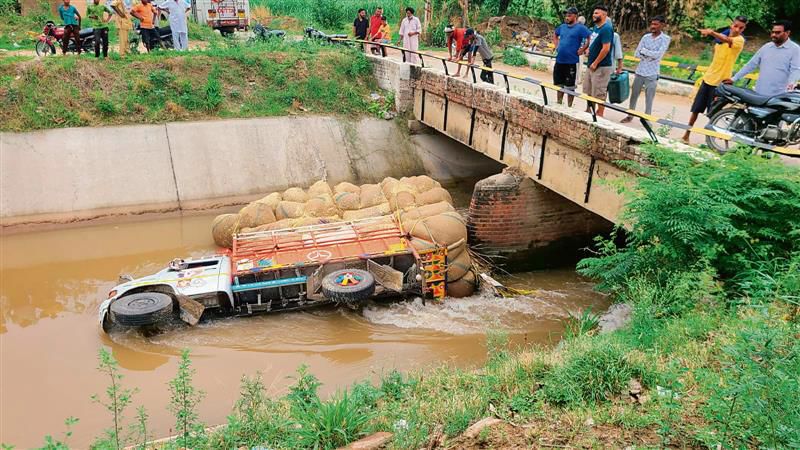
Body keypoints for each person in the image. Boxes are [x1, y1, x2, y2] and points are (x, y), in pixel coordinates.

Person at [681, 16, 747, 143]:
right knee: (696, 110)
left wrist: (711, 32)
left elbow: (727, 39)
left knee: (714, 113)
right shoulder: (720, 41)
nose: (737, 29)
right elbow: (721, 41)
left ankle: (711, 141)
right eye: (736, 26)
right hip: (708, 78)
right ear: (731, 25)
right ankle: (686, 134)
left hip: (721, 82)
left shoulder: (739, 41)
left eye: (741, 27)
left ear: (744, 29)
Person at [728, 20, 800, 96]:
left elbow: (796, 70)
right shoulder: (766, 47)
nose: (773, 35)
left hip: (779, 96)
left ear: (787, 33)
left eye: (778, 32)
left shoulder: (795, 49)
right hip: (759, 93)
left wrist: (791, 84)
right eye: (772, 32)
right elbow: (751, 65)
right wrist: (734, 79)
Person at [621, 16, 670, 121]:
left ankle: (646, 119)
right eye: (652, 24)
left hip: (652, 73)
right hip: (640, 71)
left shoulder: (665, 39)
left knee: (649, 98)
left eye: (656, 24)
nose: (653, 26)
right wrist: (648, 54)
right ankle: (630, 115)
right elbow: (637, 53)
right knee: (634, 95)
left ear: (662, 25)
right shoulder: (646, 37)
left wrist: (645, 51)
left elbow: (658, 55)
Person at [580, 5, 614, 117]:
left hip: (601, 66)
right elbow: (593, 41)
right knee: (588, 89)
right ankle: (589, 109)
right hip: (591, 64)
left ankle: (600, 114)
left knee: (599, 91)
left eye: (597, 13)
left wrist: (596, 62)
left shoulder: (606, 29)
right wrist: (588, 50)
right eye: (594, 13)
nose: (594, 15)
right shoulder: (596, 27)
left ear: (604, 15)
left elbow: (606, 48)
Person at [553, 7, 591, 106]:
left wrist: (583, 49)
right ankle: (559, 102)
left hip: (571, 62)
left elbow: (589, 37)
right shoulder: (562, 27)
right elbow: (555, 35)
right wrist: (556, 46)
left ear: (575, 16)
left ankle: (569, 106)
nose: (567, 17)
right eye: (566, 15)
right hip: (559, 60)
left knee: (570, 86)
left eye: (569, 15)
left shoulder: (580, 28)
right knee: (558, 84)